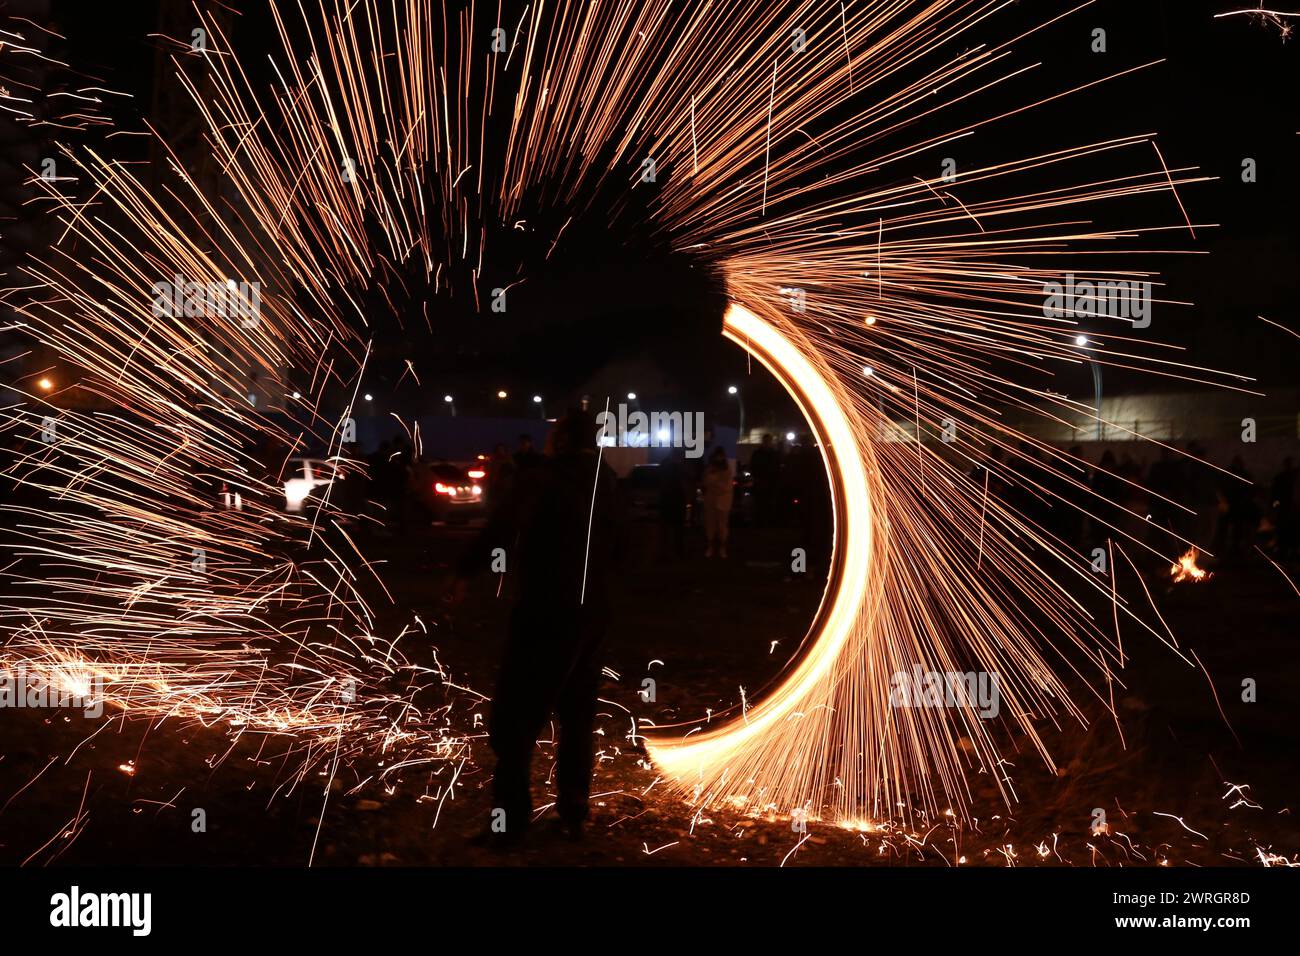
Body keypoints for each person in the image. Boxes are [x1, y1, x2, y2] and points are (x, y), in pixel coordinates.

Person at [448, 410, 622, 847]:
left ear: (560, 440)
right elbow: (631, 544)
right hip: (594, 614)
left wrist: (467, 572)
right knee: (577, 714)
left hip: (546, 611)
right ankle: (573, 811)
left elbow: (503, 526)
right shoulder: (610, 483)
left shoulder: (543, 478)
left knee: (516, 719)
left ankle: (509, 824)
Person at [700, 446, 734, 558]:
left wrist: (714, 483)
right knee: (710, 524)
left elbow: (726, 487)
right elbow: (706, 482)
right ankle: (710, 547)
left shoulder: (727, 470)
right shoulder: (709, 468)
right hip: (711, 500)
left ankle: (722, 548)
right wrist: (715, 483)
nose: (719, 458)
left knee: (722, 525)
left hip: (723, 501)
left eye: (720, 456)